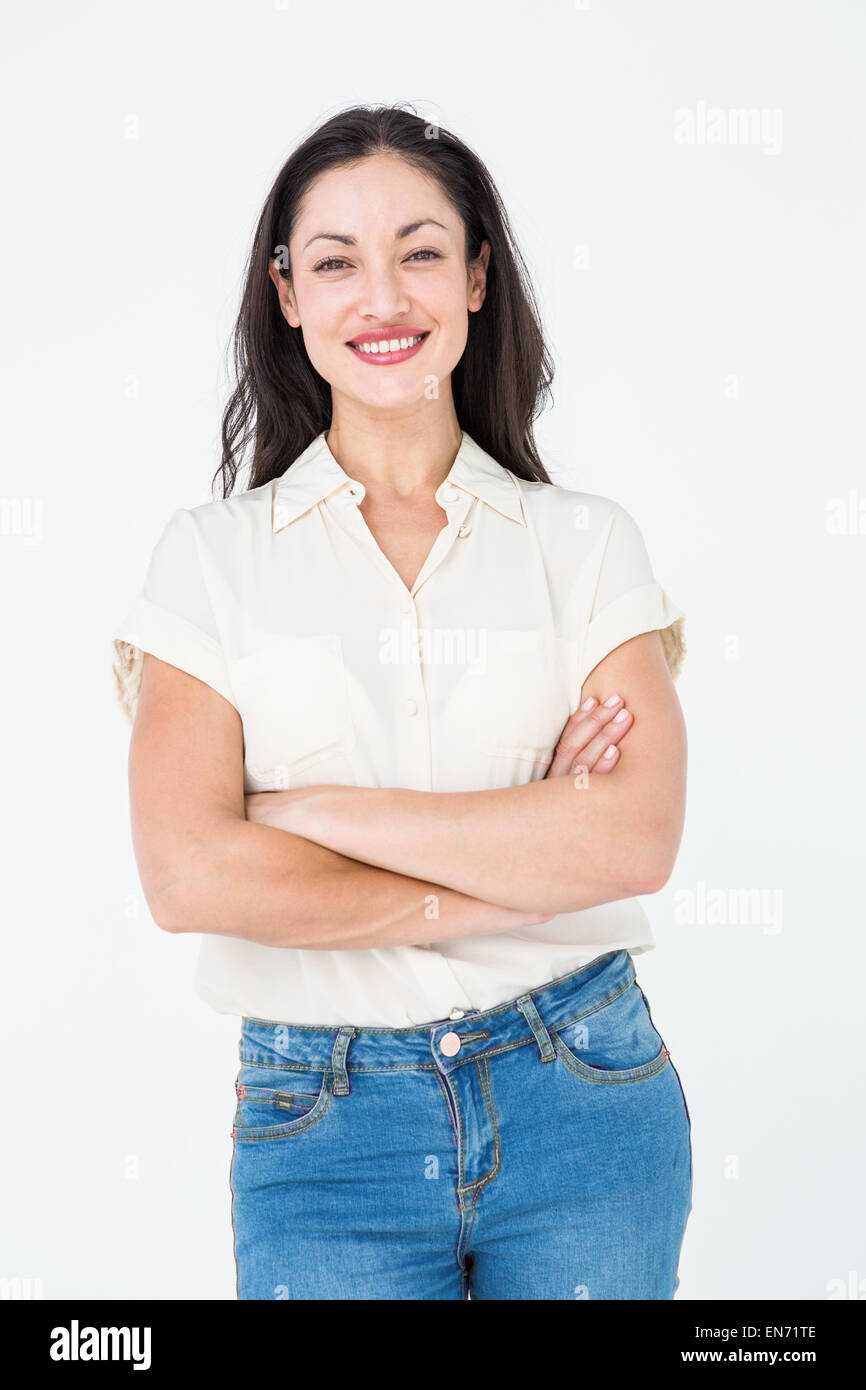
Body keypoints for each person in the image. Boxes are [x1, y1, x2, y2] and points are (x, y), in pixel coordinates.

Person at [111, 104, 692, 1300]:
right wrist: (521, 845)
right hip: (326, 1128)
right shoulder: (209, 560)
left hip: (580, 1089)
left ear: (477, 276)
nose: (382, 296)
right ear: (287, 294)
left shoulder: (581, 545)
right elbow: (189, 876)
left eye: (420, 251)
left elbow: (631, 840)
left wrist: (304, 810)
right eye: (334, 261)